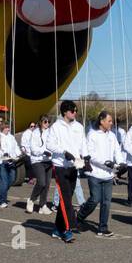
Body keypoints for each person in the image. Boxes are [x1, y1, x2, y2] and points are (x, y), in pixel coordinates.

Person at [45, 99, 85, 243]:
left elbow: (82, 144)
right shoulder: (56, 127)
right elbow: (49, 144)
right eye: (72, 110)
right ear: (64, 112)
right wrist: (63, 152)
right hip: (60, 165)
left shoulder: (79, 127)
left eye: (75, 110)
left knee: (68, 197)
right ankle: (68, 229)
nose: (74, 113)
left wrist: (85, 158)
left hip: (74, 166)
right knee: (65, 198)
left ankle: (57, 228)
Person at [77, 110, 120, 237]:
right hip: (95, 174)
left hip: (108, 174)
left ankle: (102, 227)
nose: (111, 123)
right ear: (101, 121)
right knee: (95, 199)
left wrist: (121, 163)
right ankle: (79, 216)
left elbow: (117, 150)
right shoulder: (92, 134)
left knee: (106, 202)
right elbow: (91, 156)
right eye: (109, 121)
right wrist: (105, 163)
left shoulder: (112, 135)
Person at [23, 115, 54, 215]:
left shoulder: (50, 132)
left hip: (48, 161)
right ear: (40, 122)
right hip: (37, 160)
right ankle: (31, 200)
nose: (47, 124)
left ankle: (42, 205)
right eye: (45, 122)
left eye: (49, 122)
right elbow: (33, 149)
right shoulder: (35, 133)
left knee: (47, 185)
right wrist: (43, 152)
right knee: (41, 182)